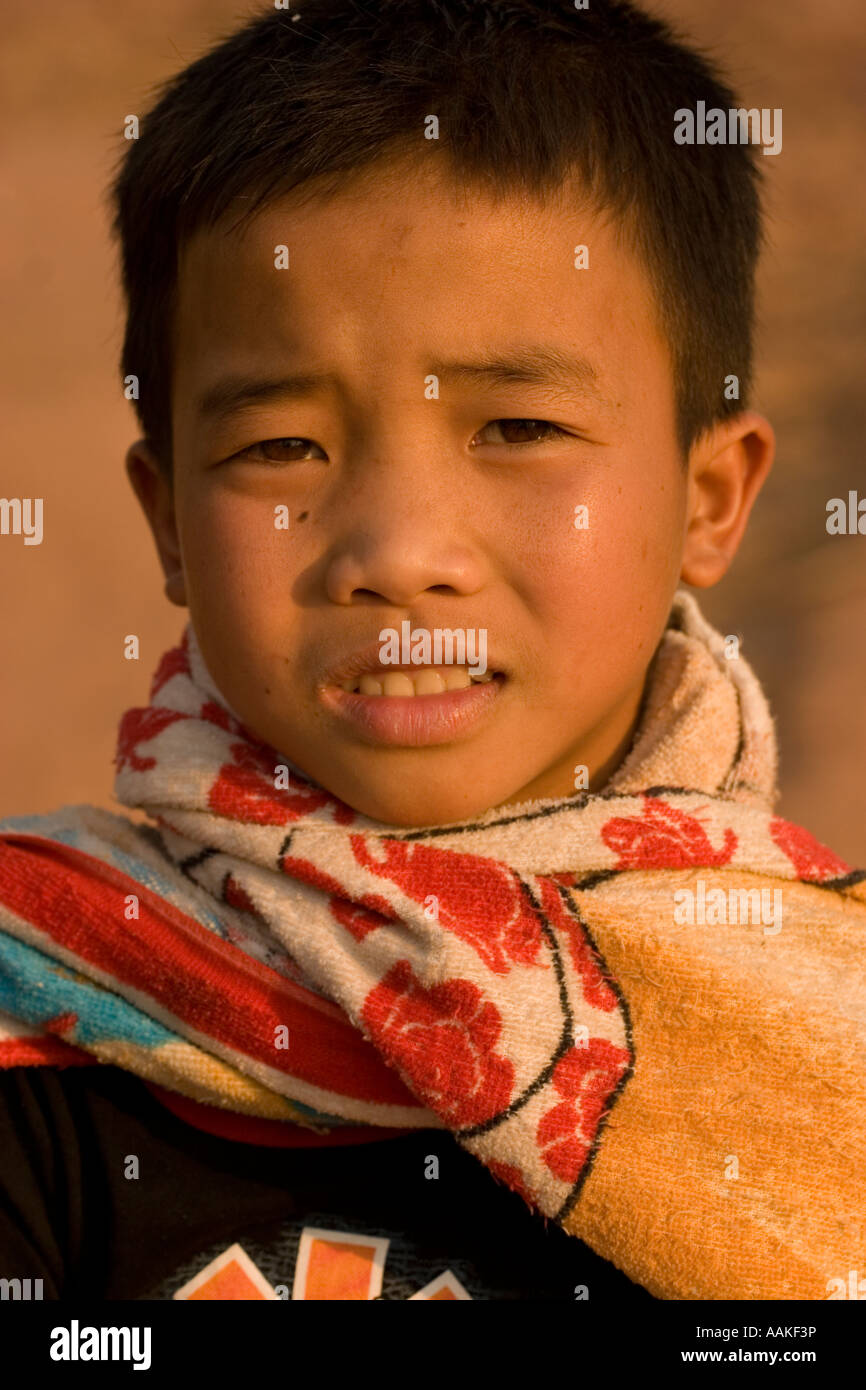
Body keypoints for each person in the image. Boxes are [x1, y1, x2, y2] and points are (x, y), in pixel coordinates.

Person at [0, 0, 863, 1302]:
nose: (397, 550)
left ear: (707, 499)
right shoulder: (42, 1029)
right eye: (282, 447)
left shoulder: (825, 1037)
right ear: (167, 517)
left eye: (515, 427)